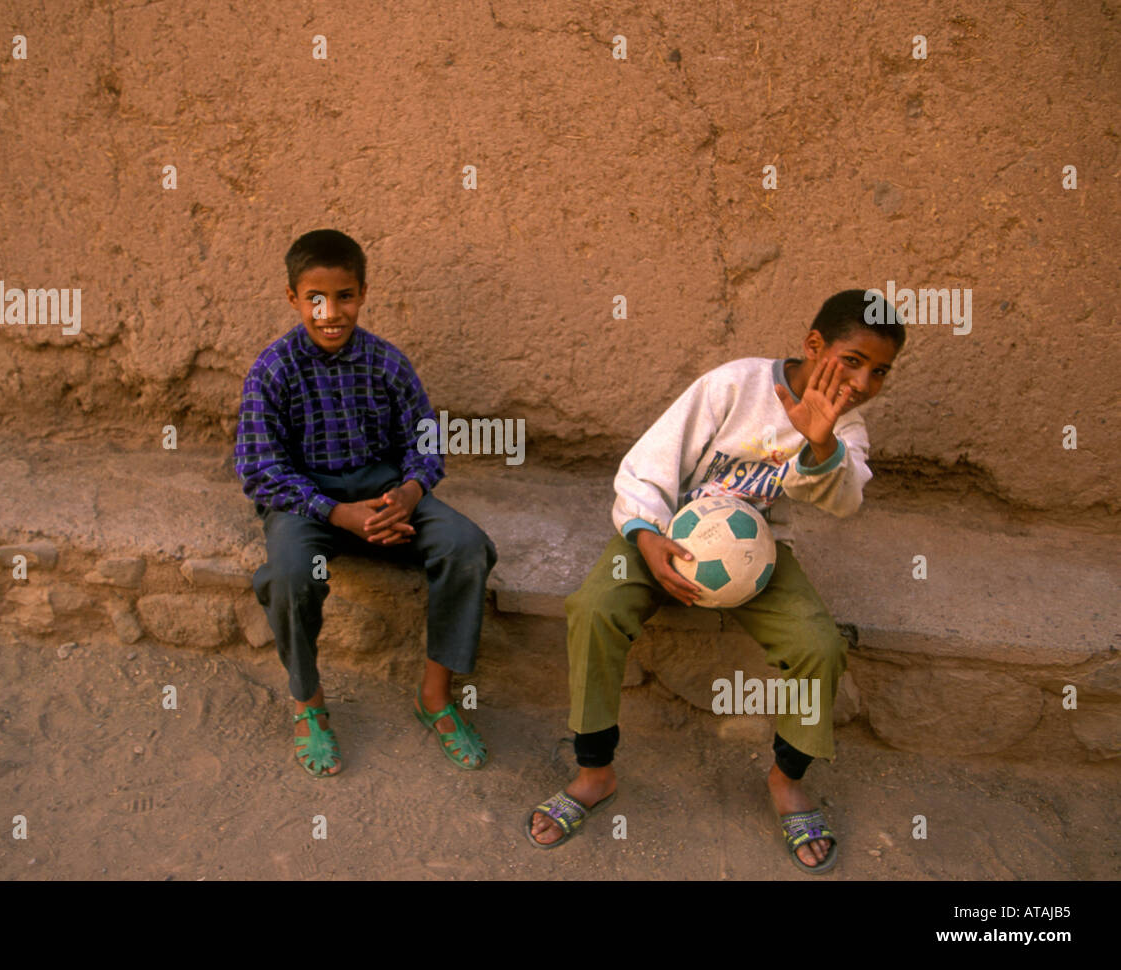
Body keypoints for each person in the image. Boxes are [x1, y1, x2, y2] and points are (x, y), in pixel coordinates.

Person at [525, 289, 905, 873]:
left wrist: (819, 441)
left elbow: (845, 498)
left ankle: (787, 780)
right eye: (851, 360)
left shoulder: (845, 428)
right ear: (814, 345)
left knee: (819, 647)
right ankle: (594, 771)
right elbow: (649, 463)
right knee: (596, 606)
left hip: (757, 554)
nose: (861, 382)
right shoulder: (735, 385)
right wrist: (645, 536)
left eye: (879, 372)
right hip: (667, 532)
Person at [234, 229, 497, 778]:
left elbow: (426, 447)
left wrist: (408, 493)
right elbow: (260, 472)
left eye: (345, 296)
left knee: (465, 547)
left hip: (385, 495)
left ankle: (435, 696)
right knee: (289, 573)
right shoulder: (273, 370)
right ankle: (309, 704)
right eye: (315, 299)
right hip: (306, 504)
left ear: (363, 293)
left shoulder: (387, 363)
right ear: (293, 299)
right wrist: (337, 514)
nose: (331, 313)